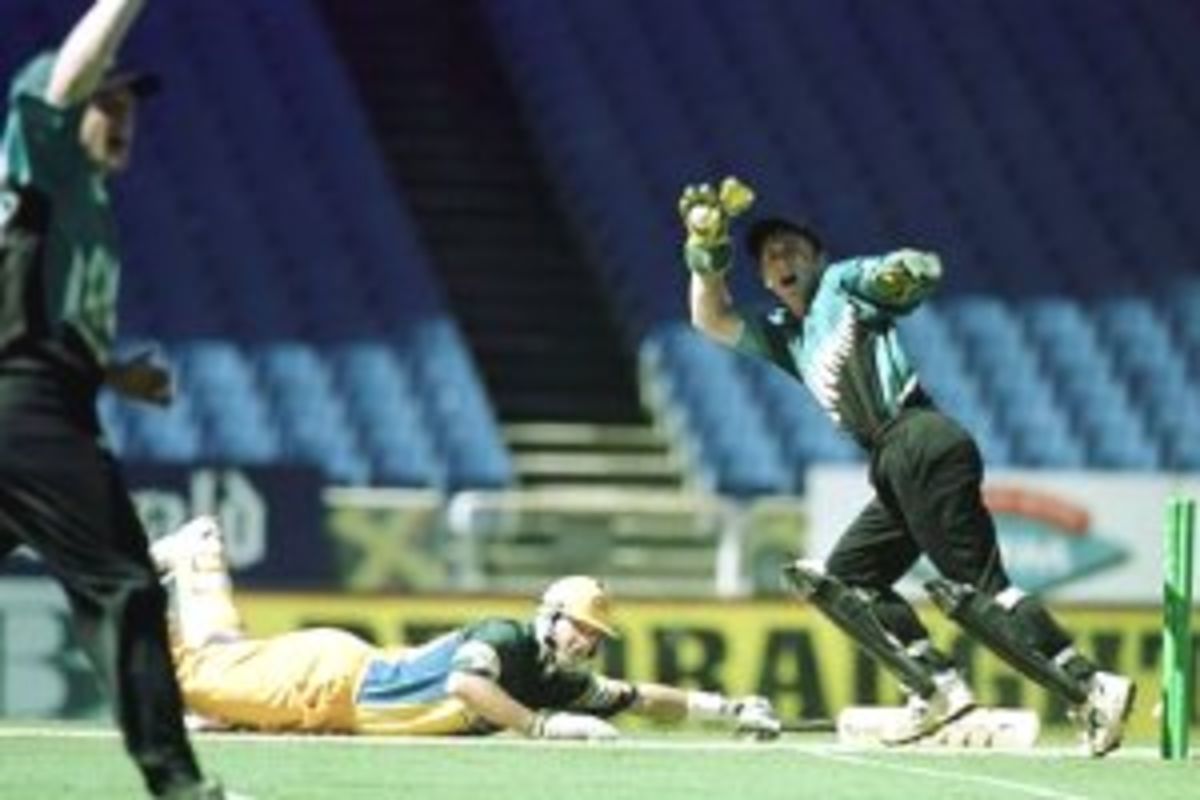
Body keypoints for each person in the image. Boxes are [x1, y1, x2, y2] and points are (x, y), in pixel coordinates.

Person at [678, 177, 1135, 756]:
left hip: (917, 438)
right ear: (766, 280)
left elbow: (900, 274)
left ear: (818, 258)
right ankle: (937, 686)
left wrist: (904, 273)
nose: (782, 258)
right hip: (897, 459)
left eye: (794, 248)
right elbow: (709, 318)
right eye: (770, 256)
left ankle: (1091, 686)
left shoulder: (841, 285)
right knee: (845, 580)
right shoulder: (786, 338)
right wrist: (706, 250)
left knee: (979, 589)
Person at [0, 2, 234, 797]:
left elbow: (36, 316)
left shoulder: (86, 208)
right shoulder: (46, 161)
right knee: (124, 583)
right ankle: (177, 785)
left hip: (37, 394)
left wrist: (117, 375)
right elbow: (64, 79)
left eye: (130, 102)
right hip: (24, 408)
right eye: (109, 99)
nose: (122, 112)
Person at [151, 516, 782, 740]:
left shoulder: (551, 677)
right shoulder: (506, 638)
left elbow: (640, 699)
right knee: (180, 679)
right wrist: (539, 726)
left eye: (594, 636)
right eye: (579, 629)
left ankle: (198, 552)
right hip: (326, 682)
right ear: (550, 618)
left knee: (219, 660)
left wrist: (724, 708)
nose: (586, 642)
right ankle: (162, 564)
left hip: (332, 697)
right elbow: (465, 687)